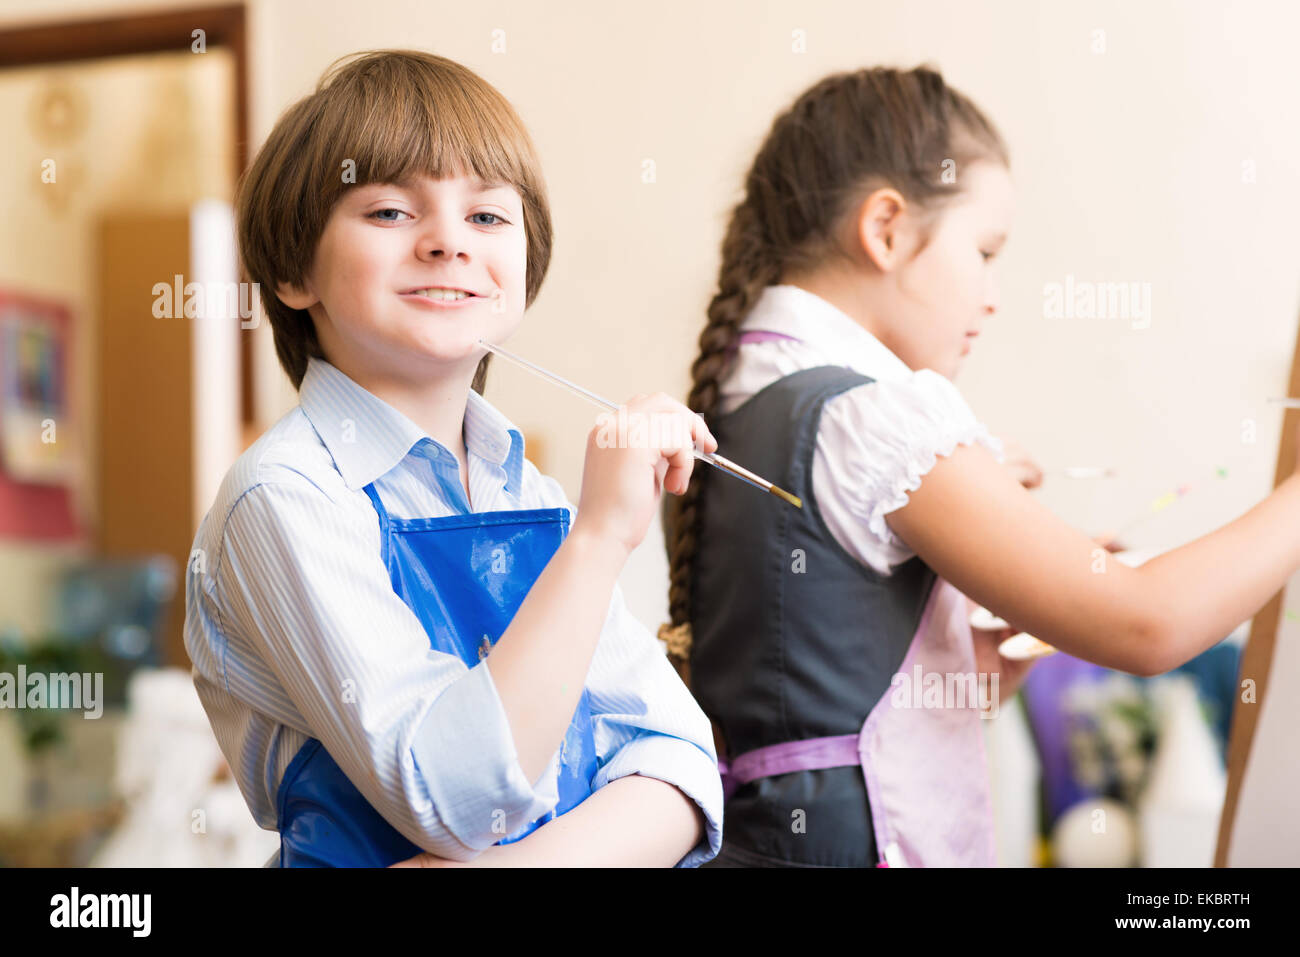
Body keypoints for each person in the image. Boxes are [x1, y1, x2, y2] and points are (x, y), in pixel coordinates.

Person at [661, 64, 1300, 867]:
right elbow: (1149, 621)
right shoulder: (877, 419)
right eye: (986, 250)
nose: (994, 294)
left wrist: (967, 666)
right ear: (887, 228)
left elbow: (817, 710)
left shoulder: (732, 407)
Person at [184, 49, 722, 867]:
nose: (448, 242)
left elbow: (683, 767)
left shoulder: (527, 490)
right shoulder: (284, 498)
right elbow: (451, 794)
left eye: (487, 217)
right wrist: (601, 538)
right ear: (295, 270)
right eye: (392, 212)